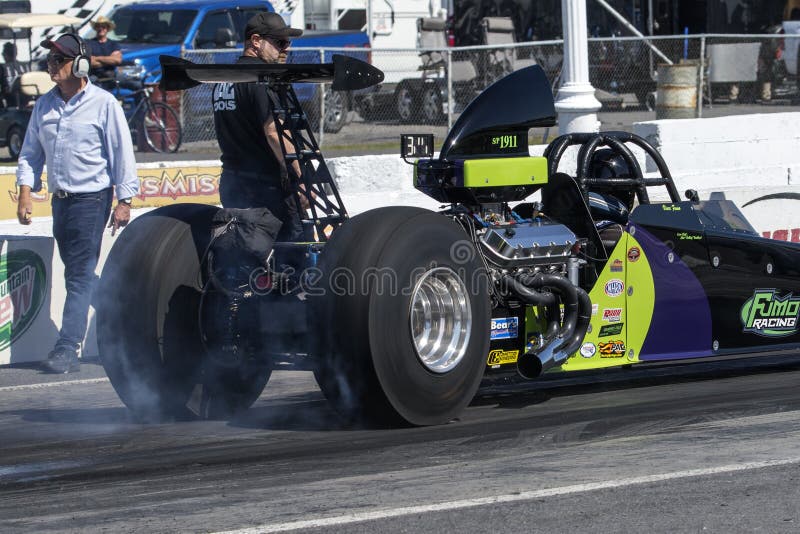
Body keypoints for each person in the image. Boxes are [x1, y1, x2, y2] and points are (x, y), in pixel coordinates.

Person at [15, 34, 138, 374]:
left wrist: (124, 200)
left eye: (58, 60)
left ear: (80, 65)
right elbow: (30, 153)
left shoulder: (104, 104)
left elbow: (122, 155)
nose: (50, 66)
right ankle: (121, 315)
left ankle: (67, 347)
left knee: (80, 275)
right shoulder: (44, 105)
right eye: (50, 60)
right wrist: (25, 191)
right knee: (77, 274)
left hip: (92, 199)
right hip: (61, 201)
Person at [212, 12, 305, 242]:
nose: (286, 49)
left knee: (243, 256)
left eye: (288, 43)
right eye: (280, 42)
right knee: (295, 253)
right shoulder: (259, 79)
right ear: (256, 41)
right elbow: (273, 132)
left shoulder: (224, 79)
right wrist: (301, 179)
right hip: (266, 188)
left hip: (233, 183)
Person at [87, 16, 122, 90]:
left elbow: (117, 60)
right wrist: (109, 60)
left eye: (103, 27)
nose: (101, 29)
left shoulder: (113, 44)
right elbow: (89, 61)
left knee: (136, 84)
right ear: (96, 28)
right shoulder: (89, 43)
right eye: (99, 26)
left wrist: (97, 58)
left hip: (111, 77)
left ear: (107, 29)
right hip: (94, 77)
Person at [0, 42, 28, 107]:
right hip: (26, 99)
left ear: (5, 54)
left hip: (11, 100)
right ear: (16, 54)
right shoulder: (25, 65)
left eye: (3, 53)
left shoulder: (2, 67)